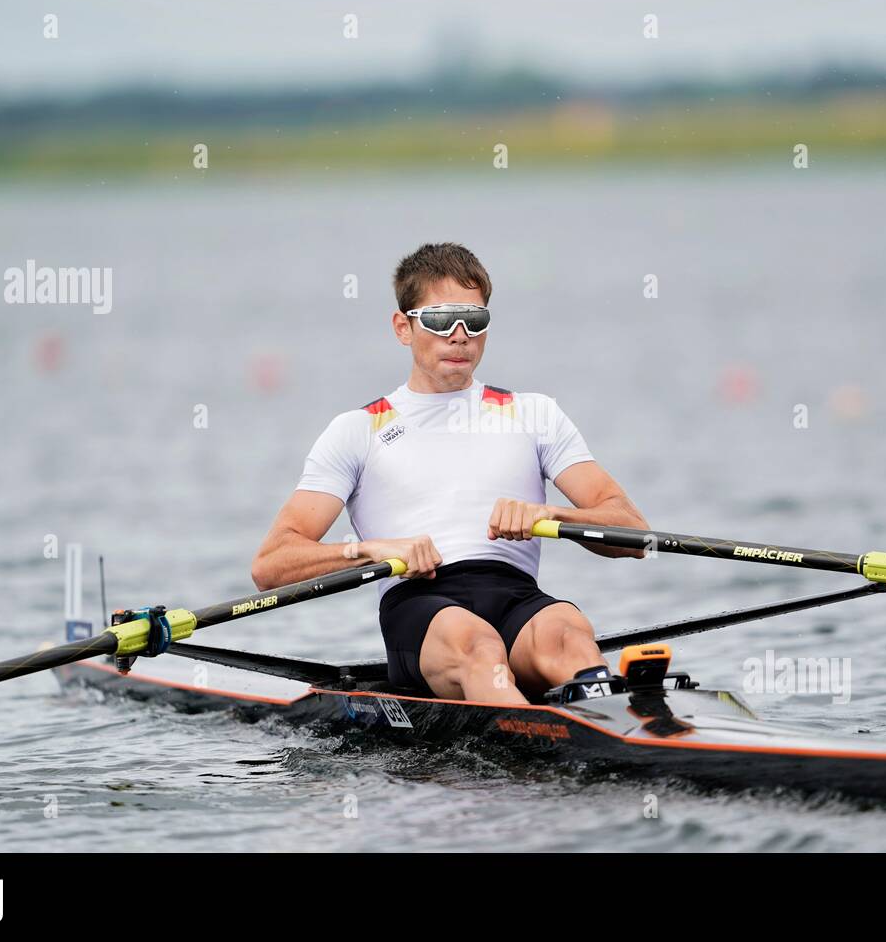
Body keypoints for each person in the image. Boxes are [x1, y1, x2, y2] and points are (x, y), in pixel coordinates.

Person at [251, 242, 647, 703]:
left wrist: (551, 515)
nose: (460, 335)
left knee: (569, 632)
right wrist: (371, 549)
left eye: (474, 321)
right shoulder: (358, 430)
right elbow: (271, 565)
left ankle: (605, 717)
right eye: (440, 320)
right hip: (420, 605)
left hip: (516, 596)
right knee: (478, 648)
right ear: (403, 327)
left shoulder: (534, 414)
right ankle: (540, 745)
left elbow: (633, 533)